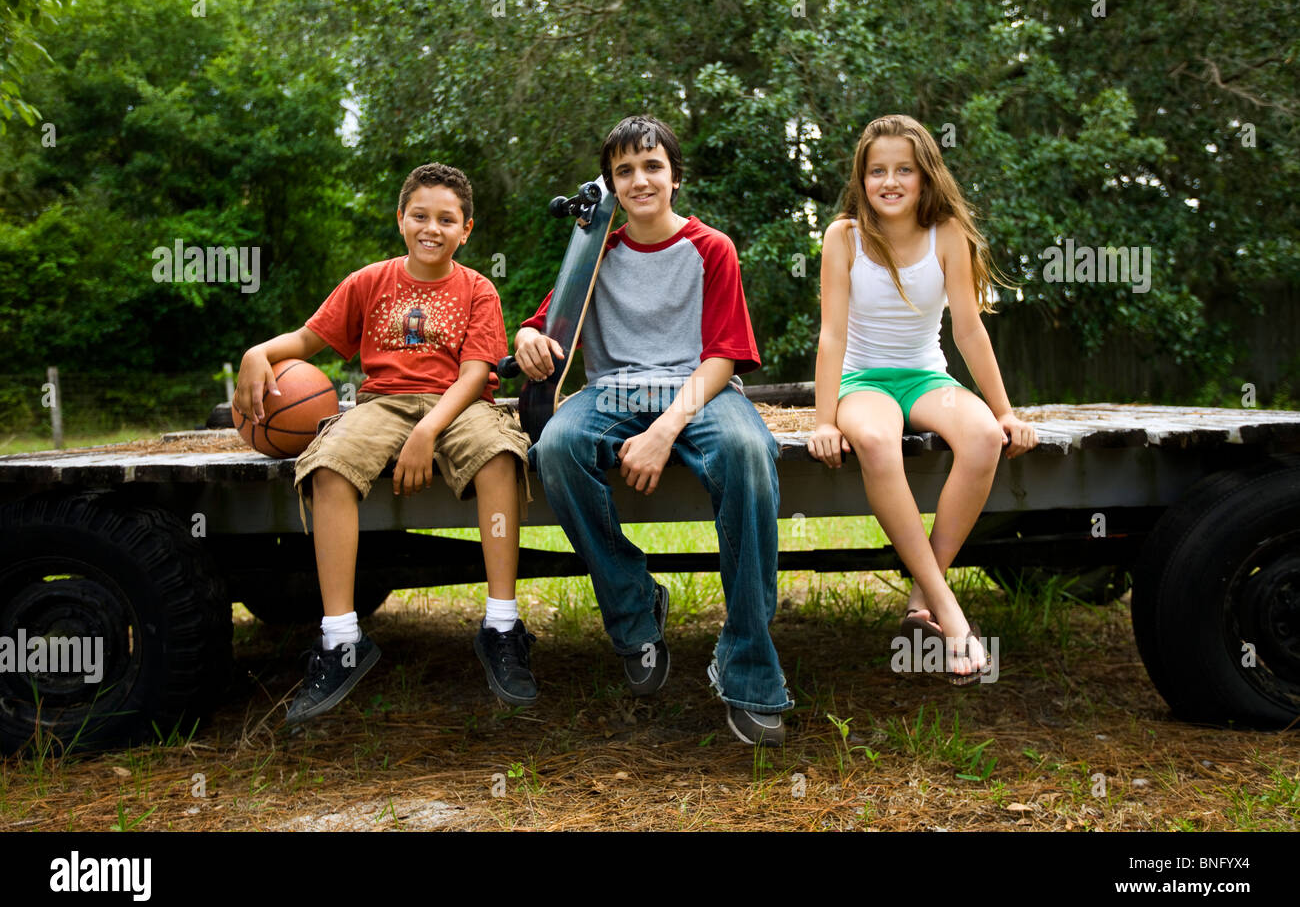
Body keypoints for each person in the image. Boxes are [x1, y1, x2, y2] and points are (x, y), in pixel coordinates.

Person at [513, 115, 793, 746]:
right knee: (555, 446)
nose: (639, 180)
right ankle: (634, 607)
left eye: (652, 166)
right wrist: (529, 337)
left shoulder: (711, 248)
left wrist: (667, 429)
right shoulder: (593, 251)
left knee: (749, 450)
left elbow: (723, 356)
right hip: (611, 392)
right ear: (610, 184)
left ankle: (748, 664)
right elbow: (543, 325)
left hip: (700, 388)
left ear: (675, 177)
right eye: (624, 170)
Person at [234, 163, 537, 723]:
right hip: (383, 403)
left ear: (465, 230)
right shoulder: (369, 281)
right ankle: (342, 639)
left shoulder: (477, 288)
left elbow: (475, 374)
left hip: (460, 403)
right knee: (327, 466)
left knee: (500, 456)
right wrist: (260, 352)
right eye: (420, 215)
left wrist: (428, 431)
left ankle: (501, 627)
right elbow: (309, 338)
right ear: (401, 220)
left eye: (447, 219)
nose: (432, 227)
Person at [807, 114, 1038, 684]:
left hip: (926, 376)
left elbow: (967, 330)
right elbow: (832, 334)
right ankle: (951, 613)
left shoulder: (948, 234)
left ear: (925, 175)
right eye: (876, 170)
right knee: (878, 441)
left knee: (984, 436)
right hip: (863, 382)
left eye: (903, 169)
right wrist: (822, 418)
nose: (890, 181)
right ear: (861, 179)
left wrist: (1004, 410)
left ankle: (921, 597)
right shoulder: (843, 237)